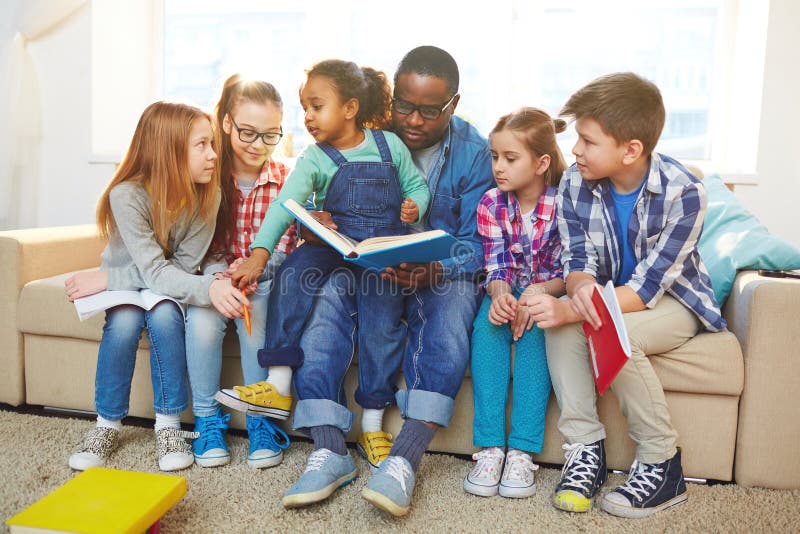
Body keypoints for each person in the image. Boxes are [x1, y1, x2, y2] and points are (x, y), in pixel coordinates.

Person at [281, 46, 494, 515]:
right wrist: (312, 221)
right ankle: (329, 449)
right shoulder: (362, 133)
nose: (413, 120)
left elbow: (482, 244)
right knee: (325, 296)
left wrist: (436, 269)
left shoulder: (475, 154)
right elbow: (308, 192)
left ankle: (404, 458)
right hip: (366, 267)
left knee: (457, 303)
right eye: (404, 105)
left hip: (436, 273)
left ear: (454, 105)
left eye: (429, 111)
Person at [520, 72, 726, 518]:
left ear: (630, 149)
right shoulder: (576, 182)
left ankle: (662, 463)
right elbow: (577, 259)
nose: (575, 150)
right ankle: (585, 451)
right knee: (561, 329)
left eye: (589, 141)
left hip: (674, 301)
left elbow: (649, 287)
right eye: (577, 137)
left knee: (617, 334)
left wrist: (578, 309)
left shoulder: (685, 193)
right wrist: (579, 294)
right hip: (610, 293)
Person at [215, 60, 430, 460]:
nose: (308, 117)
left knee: (382, 323)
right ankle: (278, 384)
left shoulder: (389, 145)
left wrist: (416, 205)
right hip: (333, 246)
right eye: (305, 109)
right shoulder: (315, 158)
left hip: (380, 253)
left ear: (350, 108)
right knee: (292, 274)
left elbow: (417, 185)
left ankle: (372, 426)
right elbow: (285, 205)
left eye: (317, 106)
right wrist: (259, 255)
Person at [64, 101, 248, 472]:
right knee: (124, 322)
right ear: (169, 151)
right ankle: (106, 425)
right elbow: (153, 269)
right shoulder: (126, 195)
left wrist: (107, 278)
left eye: (212, 143)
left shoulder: (208, 195)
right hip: (132, 282)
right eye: (202, 145)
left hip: (164, 282)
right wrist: (114, 279)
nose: (214, 155)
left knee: (165, 317)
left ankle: (168, 425)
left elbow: (178, 269)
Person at [185, 75, 294, 469]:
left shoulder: (286, 180)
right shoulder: (209, 175)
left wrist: (255, 269)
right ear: (228, 124)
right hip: (217, 276)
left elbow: (288, 243)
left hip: (266, 278)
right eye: (247, 133)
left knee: (258, 313)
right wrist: (223, 274)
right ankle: (206, 419)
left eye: (270, 135)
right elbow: (200, 241)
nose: (257, 145)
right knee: (201, 319)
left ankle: (259, 419)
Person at [463, 108, 566, 499]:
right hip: (509, 290)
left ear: (541, 163)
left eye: (510, 158)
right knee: (487, 328)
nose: (498, 167)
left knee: (537, 333)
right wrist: (500, 296)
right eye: (495, 157)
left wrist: (537, 294)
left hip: (549, 293)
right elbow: (495, 265)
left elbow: (570, 272)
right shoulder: (491, 204)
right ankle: (490, 448)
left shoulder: (564, 204)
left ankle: (522, 451)